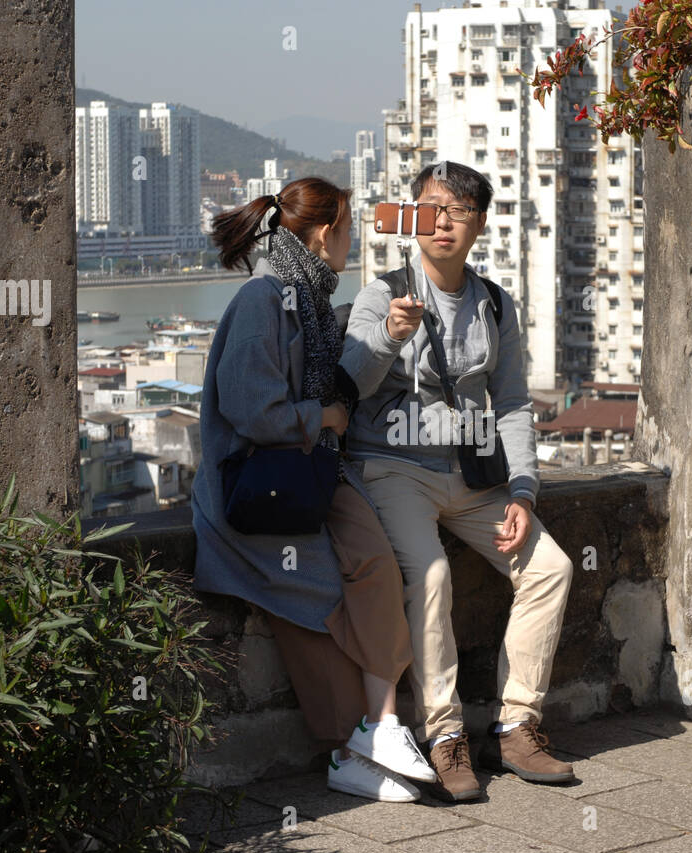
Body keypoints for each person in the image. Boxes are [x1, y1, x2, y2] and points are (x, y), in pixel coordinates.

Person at [191, 177, 436, 802]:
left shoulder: (312, 300)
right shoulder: (263, 300)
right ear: (325, 233)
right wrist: (320, 419)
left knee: (377, 565)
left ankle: (379, 727)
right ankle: (345, 746)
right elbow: (250, 408)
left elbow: (345, 382)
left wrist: (387, 339)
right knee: (322, 589)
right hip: (258, 486)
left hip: (315, 472)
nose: (352, 243)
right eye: (349, 229)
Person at [339, 161, 576, 802]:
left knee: (551, 567)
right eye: (431, 207)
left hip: (473, 474)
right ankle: (443, 736)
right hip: (393, 468)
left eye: (459, 211)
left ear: (479, 224)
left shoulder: (495, 305)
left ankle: (518, 724)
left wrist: (523, 490)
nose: (443, 222)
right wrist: (389, 334)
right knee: (432, 574)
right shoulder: (379, 294)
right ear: (411, 215)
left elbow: (514, 404)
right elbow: (349, 384)